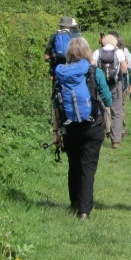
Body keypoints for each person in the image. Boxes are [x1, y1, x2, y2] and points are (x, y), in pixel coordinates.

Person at [53, 36, 112, 219]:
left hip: (69, 128)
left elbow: (56, 104)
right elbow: (108, 98)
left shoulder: (60, 74)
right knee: (88, 168)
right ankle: (84, 211)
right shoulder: (93, 71)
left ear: (68, 53)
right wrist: (109, 124)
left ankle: (75, 202)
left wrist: (55, 133)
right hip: (93, 126)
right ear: (87, 52)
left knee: (74, 164)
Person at [93, 33, 128, 147]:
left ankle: (101, 135)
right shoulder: (118, 52)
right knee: (117, 112)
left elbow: (92, 67)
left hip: (101, 84)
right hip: (115, 84)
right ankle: (116, 140)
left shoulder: (97, 52)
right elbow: (124, 69)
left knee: (102, 109)